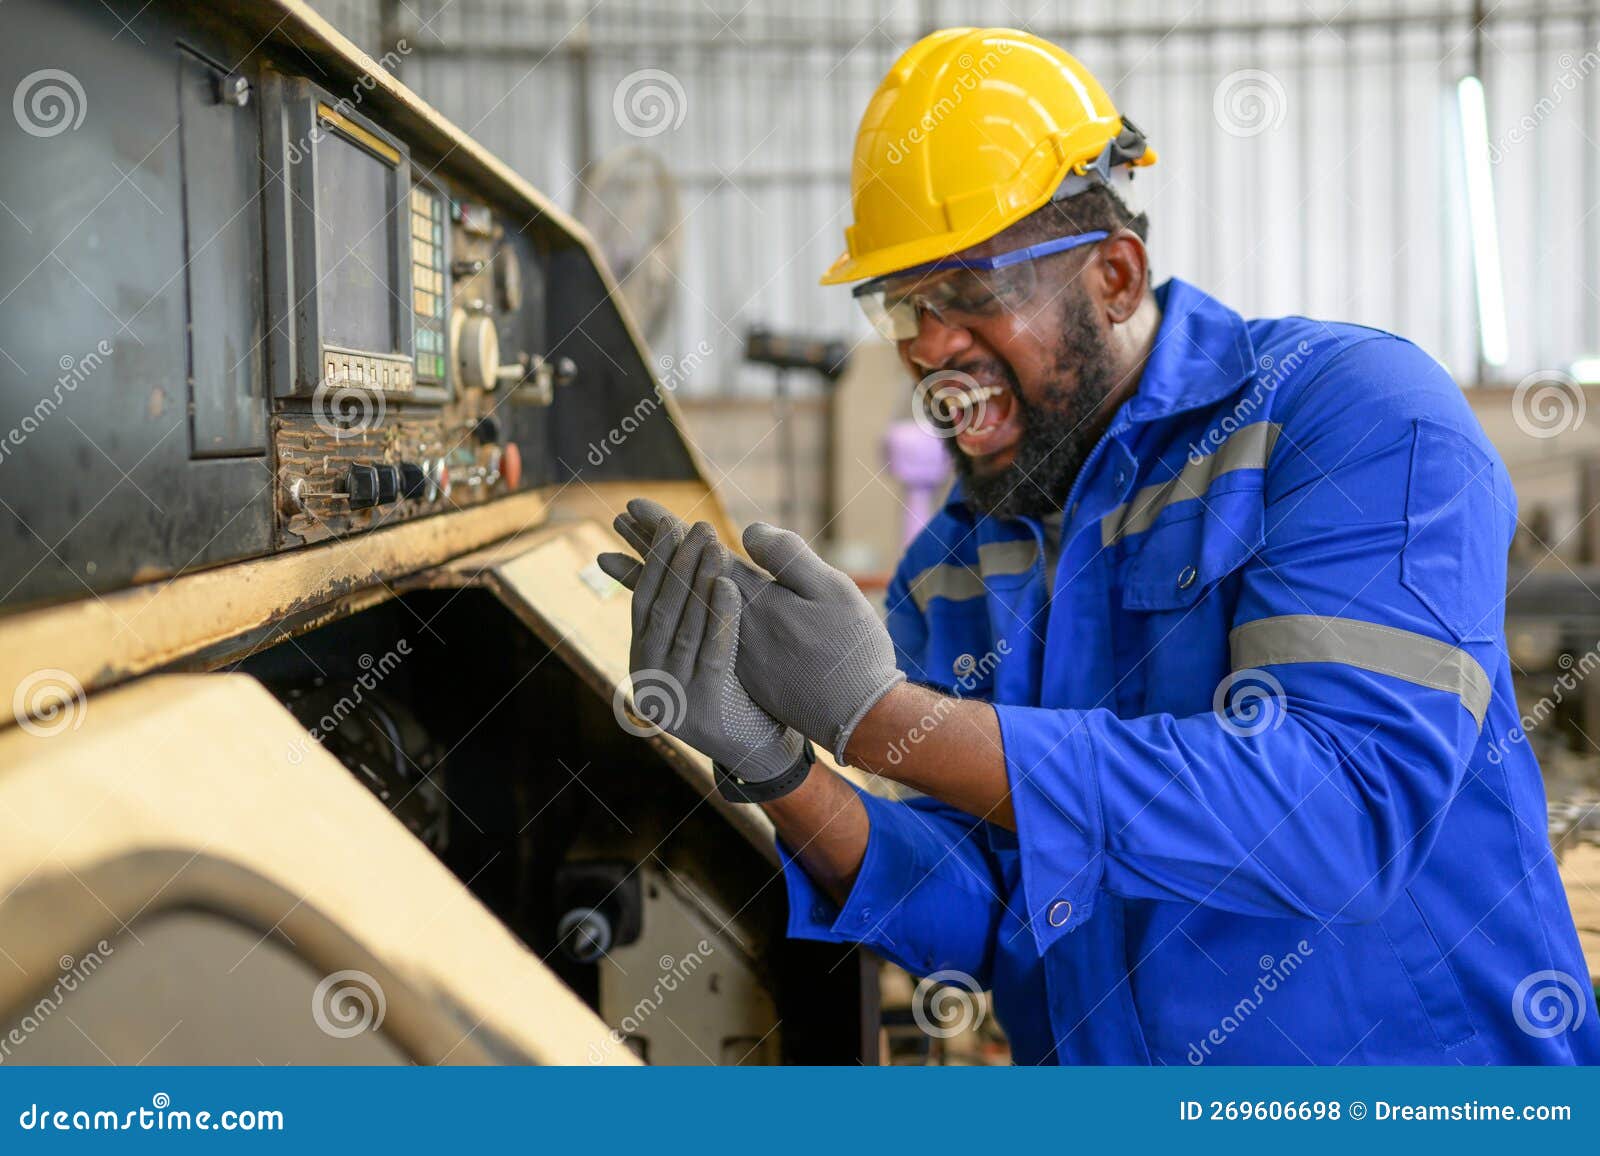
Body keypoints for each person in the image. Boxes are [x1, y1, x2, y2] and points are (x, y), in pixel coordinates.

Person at [597, 27, 1599, 1064]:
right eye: (904, 304)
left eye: (972, 292)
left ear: (1114, 277)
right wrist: (776, 768)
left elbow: (1337, 814)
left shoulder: (1346, 415)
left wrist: (880, 719)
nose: (928, 345)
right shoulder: (957, 560)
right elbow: (992, 915)